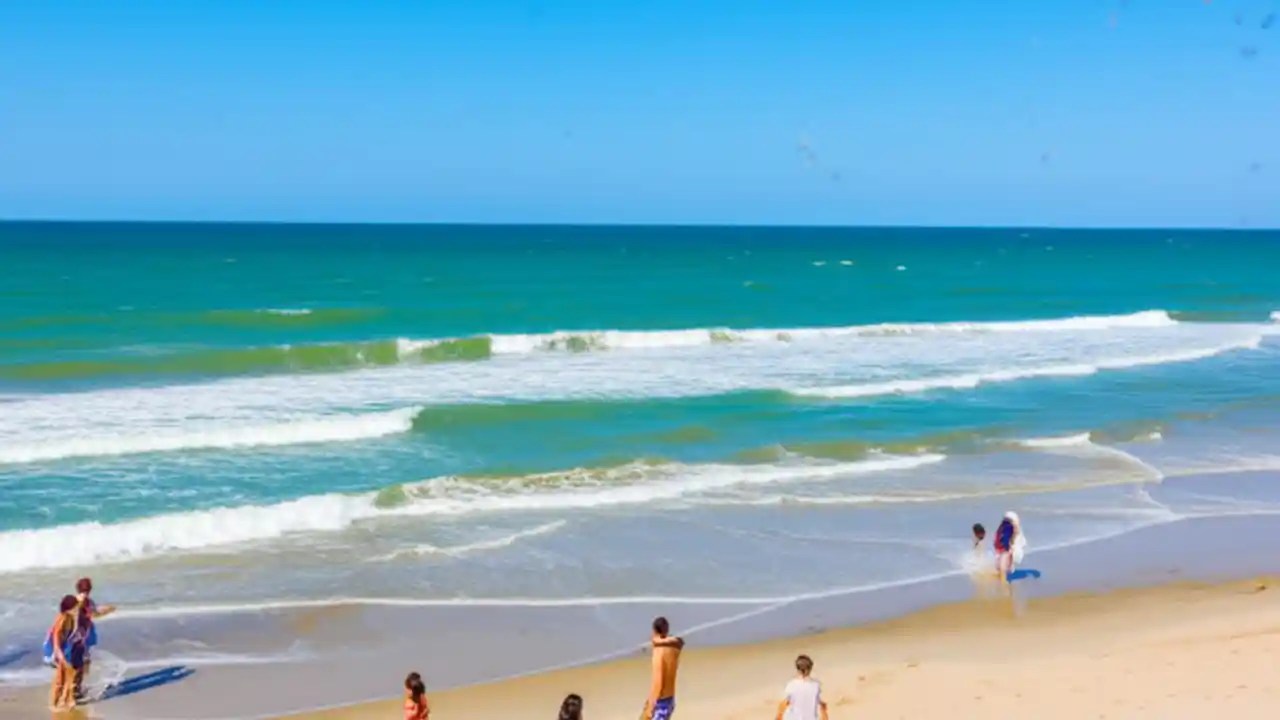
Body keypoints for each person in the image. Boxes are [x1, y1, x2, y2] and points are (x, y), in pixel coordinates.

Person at [72, 577, 115, 700]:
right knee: (79, 664)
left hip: (85, 634)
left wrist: (107, 610)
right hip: (78, 636)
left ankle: (77, 687)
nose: (85, 593)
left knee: (85, 662)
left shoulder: (87, 602)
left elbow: (94, 614)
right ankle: (74, 689)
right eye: (84, 591)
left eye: (87, 591)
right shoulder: (77, 602)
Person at [46, 595, 84, 711]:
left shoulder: (71, 618)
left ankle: (66, 700)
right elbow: (55, 637)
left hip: (64, 646)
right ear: (69, 608)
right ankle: (54, 704)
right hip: (55, 648)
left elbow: (68, 635)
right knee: (61, 677)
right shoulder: (62, 619)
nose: (77, 609)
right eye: (75, 607)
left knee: (70, 673)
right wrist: (59, 654)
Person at [643, 617, 682, 720]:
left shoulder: (658, 653)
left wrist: (650, 708)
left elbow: (658, 684)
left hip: (661, 703)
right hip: (670, 700)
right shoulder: (674, 649)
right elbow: (678, 641)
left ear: (654, 631)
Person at [776, 654, 828, 720]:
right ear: (810, 668)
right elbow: (822, 707)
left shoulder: (791, 685)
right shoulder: (816, 685)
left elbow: (783, 705)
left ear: (797, 669)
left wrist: (778, 717)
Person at [994, 512, 1023, 579]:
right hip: (1004, 546)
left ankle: (1005, 570)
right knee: (1003, 565)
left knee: (1002, 560)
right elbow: (1006, 537)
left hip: (1000, 545)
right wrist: (1007, 547)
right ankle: (1003, 577)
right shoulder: (1009, 527)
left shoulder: (1003, 527)